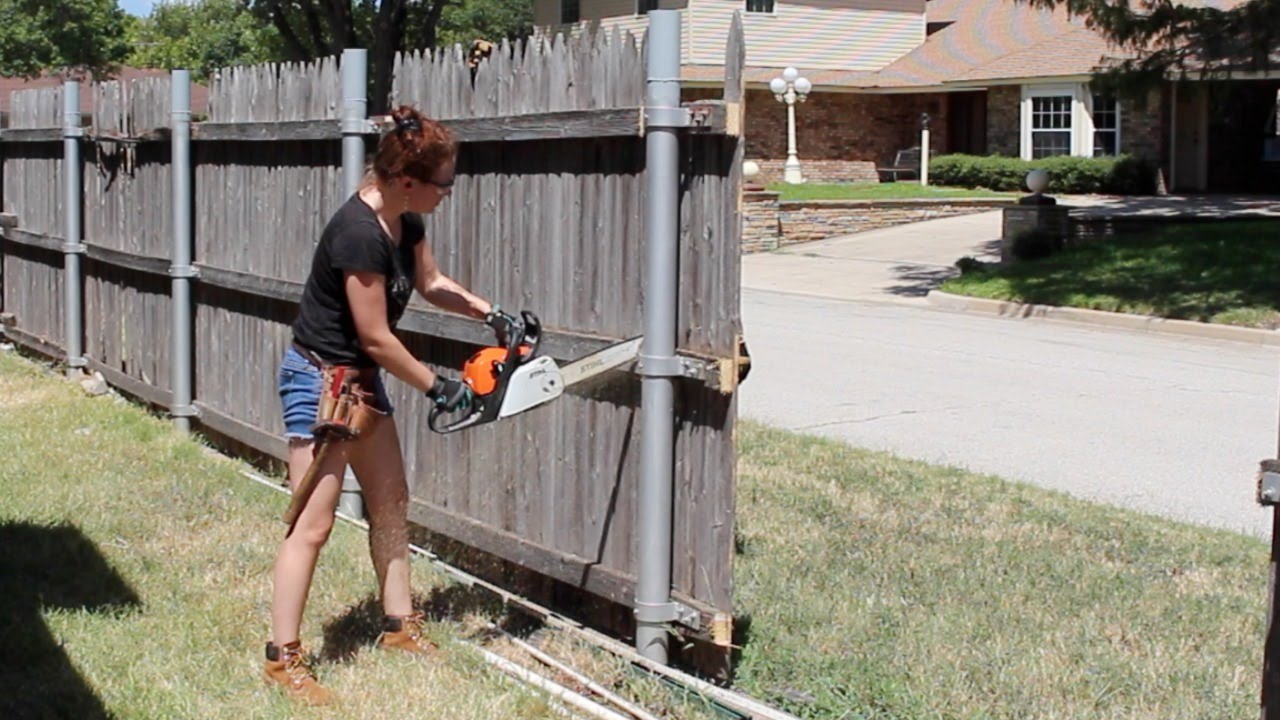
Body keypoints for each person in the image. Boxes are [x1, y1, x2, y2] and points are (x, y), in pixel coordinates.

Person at [263, 105, 518, 705]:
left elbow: (429, 285)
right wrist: (438, 384)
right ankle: (283, 660)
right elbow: (375, 334)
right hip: (322, 384)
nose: (448, 194)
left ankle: (400, 627)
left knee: (391, 504)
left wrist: (490, 313)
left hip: (363, 382)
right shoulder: (358, 233)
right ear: (407, 179)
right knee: (313, 524)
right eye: (444, 185)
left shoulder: (406, 219)